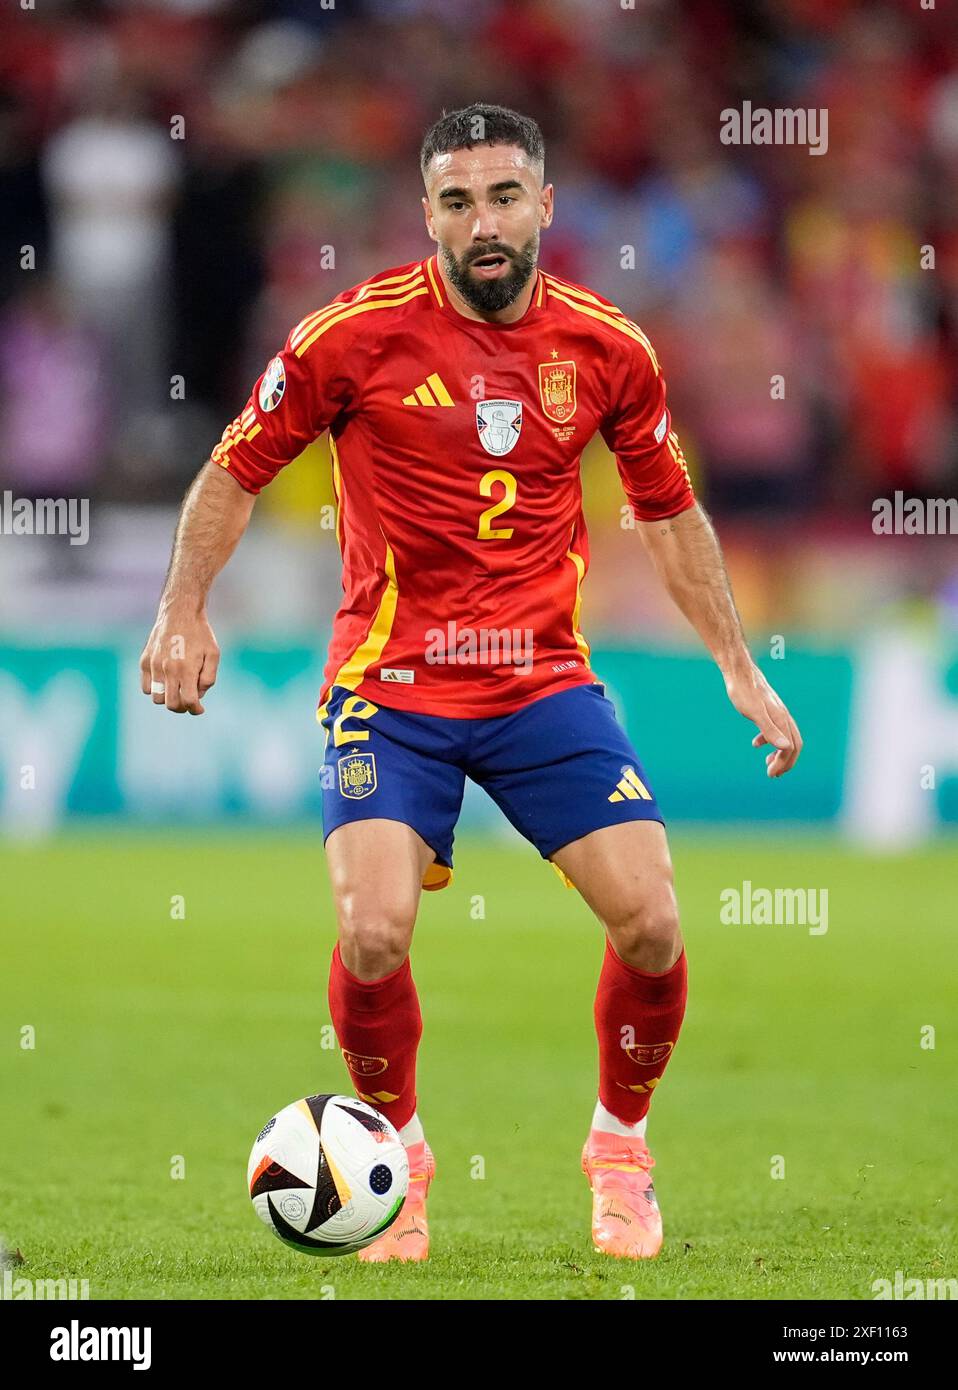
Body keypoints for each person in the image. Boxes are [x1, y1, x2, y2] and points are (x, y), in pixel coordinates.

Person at [140, 103, 802, 1263]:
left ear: (545, 206)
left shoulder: (608, 349)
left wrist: (740, 667)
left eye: (503, 198)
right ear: (428, 215)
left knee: (650, 920)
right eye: (457, 202)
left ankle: (619, 1152)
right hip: (388, 685)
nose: (482, 224)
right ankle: (396, 1158)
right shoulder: (349, 338)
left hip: (542, 682)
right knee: (373, 928)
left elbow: (668, 512)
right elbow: (231, 470)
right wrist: (180, 606)